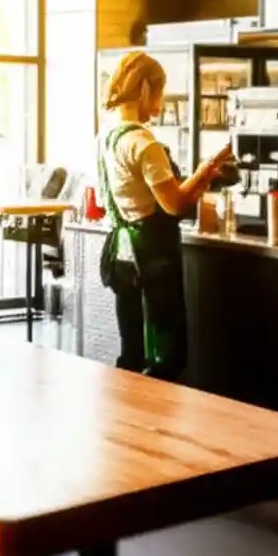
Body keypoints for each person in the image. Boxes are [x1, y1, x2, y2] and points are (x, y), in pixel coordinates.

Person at [97, 51, 236, 382]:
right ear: (145, 89)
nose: (159, 106)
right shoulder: (143, 143)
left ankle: (127, 423)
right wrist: (203, 174)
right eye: (158, 94)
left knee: (132, 348)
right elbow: (174, 204)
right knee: (163, 356)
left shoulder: (106, 137)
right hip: (153, 260)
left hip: (122, 255)